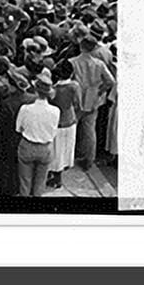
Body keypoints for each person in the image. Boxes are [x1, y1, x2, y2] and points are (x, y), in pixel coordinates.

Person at [70, 34, 116, 170]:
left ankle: (71, 156)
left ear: (81, 46)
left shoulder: (73, 62)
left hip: (77, 99)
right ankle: (89, 159)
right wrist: (100, 90)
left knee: (72, 129)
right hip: (93, 100)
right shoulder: (99, 64)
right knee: (90, 131)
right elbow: (111, 81)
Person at [15, 71, 61, 197]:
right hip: (45, 148)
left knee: (25, 181)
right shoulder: (55, 111)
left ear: (36, 90)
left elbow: (18, 128)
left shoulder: (25, 109)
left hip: (27, 145)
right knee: (40, 182)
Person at [47, 59, 82, 189]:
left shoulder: (54, 90)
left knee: (57, 152)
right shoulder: (74, 86)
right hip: (70, 121)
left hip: (58, 124)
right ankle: (58, 177)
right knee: (66, 150)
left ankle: (56, 178)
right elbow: (78, 104)